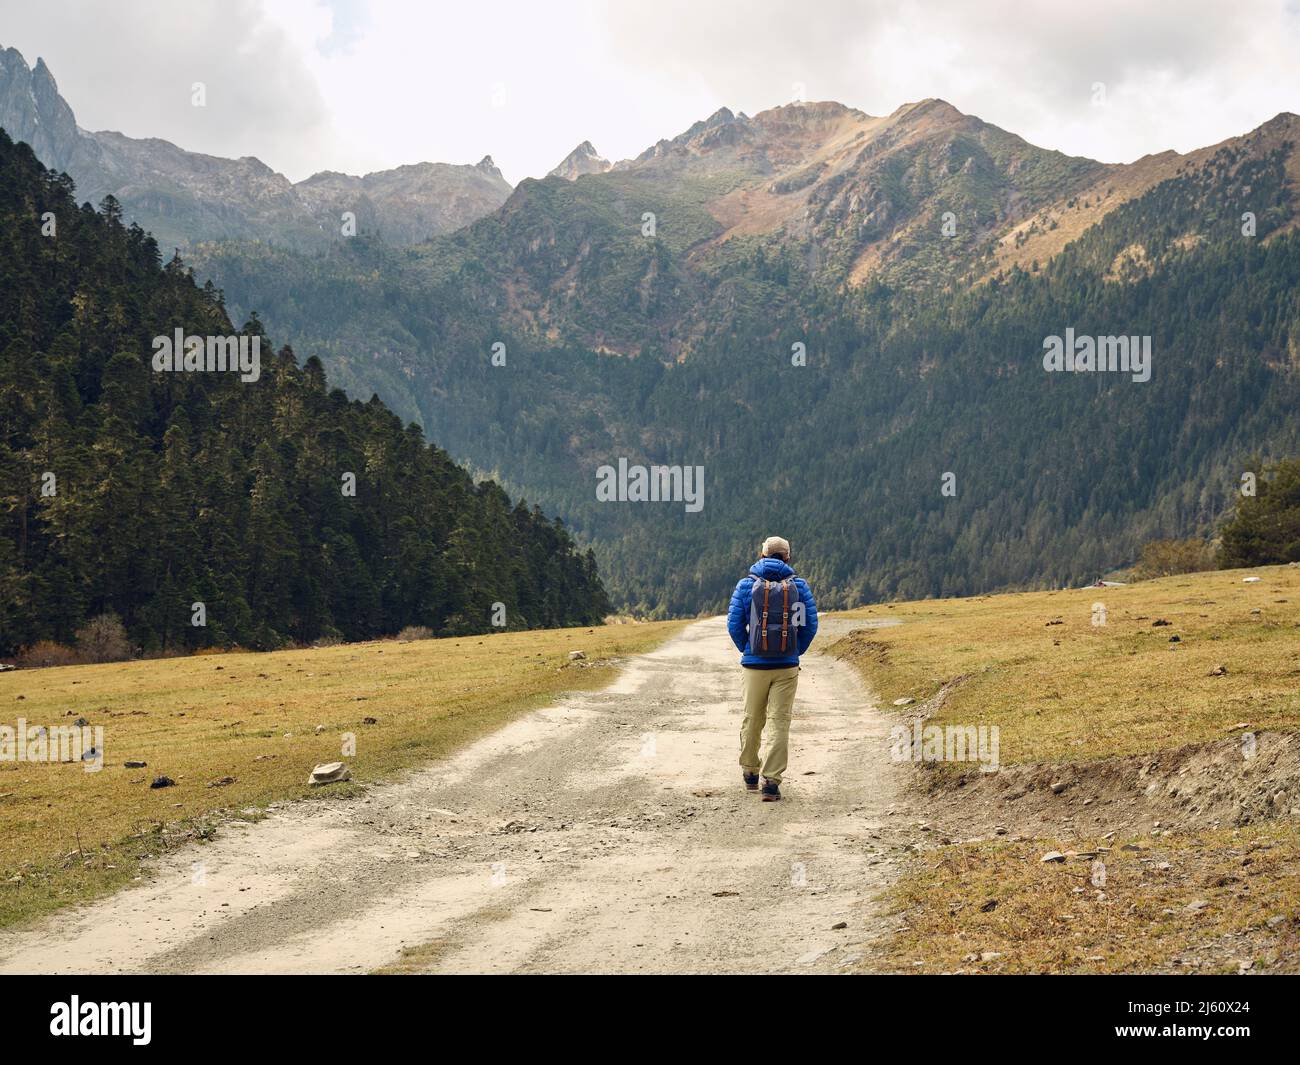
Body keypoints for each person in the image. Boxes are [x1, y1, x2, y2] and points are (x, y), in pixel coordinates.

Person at [726, 536, 818, 801]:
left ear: (762, 555)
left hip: (754, 666)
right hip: (787, 667)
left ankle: (750, 772)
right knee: (780, 721)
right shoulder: (798, 587)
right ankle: (771, 782)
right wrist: (794, 651)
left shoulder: (746, 586)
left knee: (752, 718)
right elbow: (808, 625)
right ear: (788, 558)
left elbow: (734, 625)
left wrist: (749, 650)